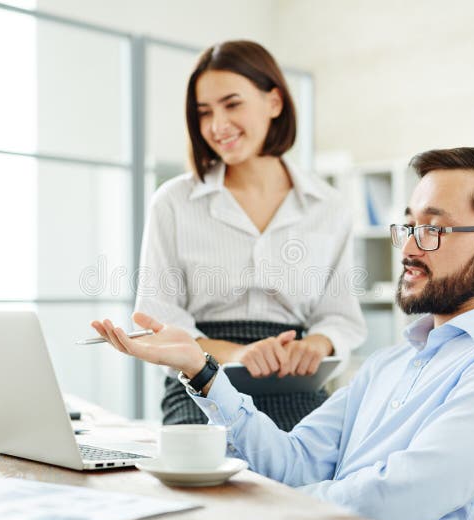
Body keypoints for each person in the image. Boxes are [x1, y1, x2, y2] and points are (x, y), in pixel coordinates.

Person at [93, 147, 474, 520]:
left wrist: (261, 511)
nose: (411, 248)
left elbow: (394, 502)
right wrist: (203, 369)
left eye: (435, 229)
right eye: (410, 226)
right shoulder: (391, 365)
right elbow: (293, 462)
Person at [132, 40, 366, 430]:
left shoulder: (329, 206)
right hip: (202, 374)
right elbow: (158, 313)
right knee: (211, 469)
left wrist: (315, 345)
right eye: (204, 112)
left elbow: (340, 316)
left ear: (274, 102)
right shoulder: (174, 202)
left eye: (232, 104)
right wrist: (240, 354)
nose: (217, 126)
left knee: (315, 472)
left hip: (293, 378)